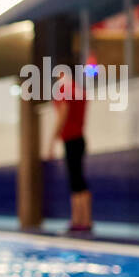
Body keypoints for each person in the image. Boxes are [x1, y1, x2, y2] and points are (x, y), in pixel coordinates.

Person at [49, 66, 91, 233]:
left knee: (75, 180)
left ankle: (78, 220)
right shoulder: (79, 90)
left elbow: (63, 113)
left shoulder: (64, 89)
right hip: (80, 138)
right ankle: (85, 220)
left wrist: (52, 140)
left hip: (71, 139)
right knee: (79, 178)